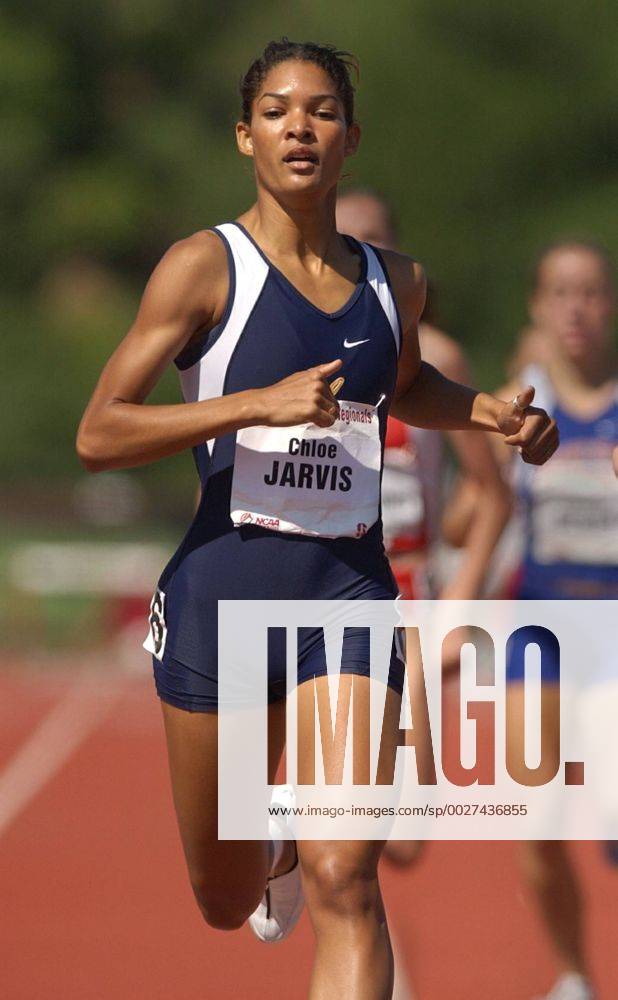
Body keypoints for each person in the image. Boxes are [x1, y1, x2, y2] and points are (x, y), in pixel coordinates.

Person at [76, 39, 558, 1000]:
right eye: (278, 110)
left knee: (353, 882)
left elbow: (405, 383)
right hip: (222, 595)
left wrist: (493, 415)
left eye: (323, 110)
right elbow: (100, 431)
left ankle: (315, 853)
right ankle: (274, 848)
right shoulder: (203, 268)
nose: (300, 125)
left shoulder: (396, 283)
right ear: (245, 135)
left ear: (350, 138)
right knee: (222, 895)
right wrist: (252, 404)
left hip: (346, 596)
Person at [336, 189, 513, 866]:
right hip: (325, 581)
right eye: (344, 241)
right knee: (350, 828)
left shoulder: (436, 356)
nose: (359, 257)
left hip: (408, 590)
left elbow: (491, 494)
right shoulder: (297, 344)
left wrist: (460, 606)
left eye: (374, 242)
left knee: (406, 838)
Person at [495, 241, 617, 1000]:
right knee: (532, 816)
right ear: (539, 307)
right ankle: (574, 975)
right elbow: (472, 514)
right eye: (561, 292)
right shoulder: (512, 405)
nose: (575, 306)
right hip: (536, 630)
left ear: (607, 306)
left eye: (591, 292)